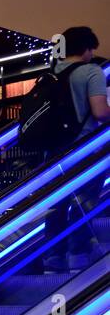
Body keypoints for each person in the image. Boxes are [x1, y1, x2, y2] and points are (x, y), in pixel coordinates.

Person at [40, 27, 109, 270]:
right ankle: (78, 253)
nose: (93, 54)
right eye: (92, 49)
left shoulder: (50, 74)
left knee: (57, 204)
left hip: (53, 152)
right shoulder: (91, 72)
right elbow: (100, 112)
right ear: (87, 48)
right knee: (85, 200)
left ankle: (53, 257)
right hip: (83, 149)